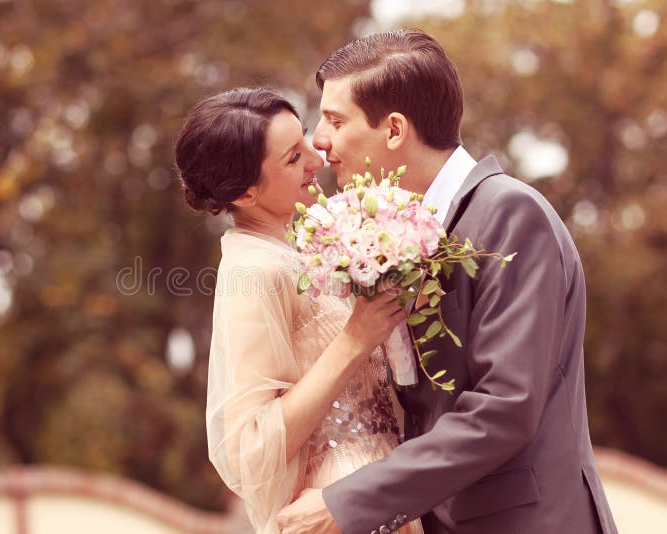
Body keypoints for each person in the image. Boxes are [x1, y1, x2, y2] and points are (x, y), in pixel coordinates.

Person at [276, 29, 618, 534]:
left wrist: (347, 502)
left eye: (334, 120)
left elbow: (504, 409)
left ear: (394, 130)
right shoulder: (396, 231)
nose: (318, 142)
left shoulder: (509, 214)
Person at [175, 88, 424, 534]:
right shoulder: (253, 271)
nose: (317, 157)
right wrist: (354, 339)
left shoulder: (304, 248)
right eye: (293, 158)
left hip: (383, 490)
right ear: (246, 193)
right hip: (335, 501)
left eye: (306, 138)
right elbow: (249, 449)